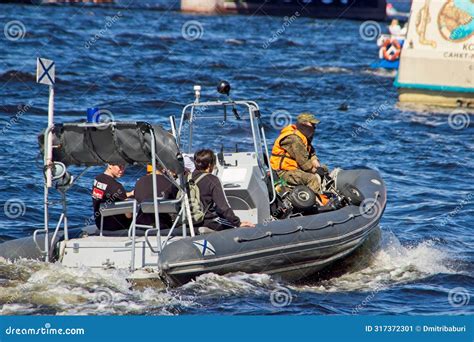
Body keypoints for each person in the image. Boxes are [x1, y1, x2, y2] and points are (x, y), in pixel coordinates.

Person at [192, 149, 254, 231]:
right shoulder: (213, 180)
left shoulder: (187, 178)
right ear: (210, 164)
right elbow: (223, 207)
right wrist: (238, 223)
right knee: (237, 228)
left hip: (190, 221)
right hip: (207, 221)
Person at [270, 113, 327, 196]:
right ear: (304, 125)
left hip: (295, 169)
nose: (314, 128)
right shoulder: (294, 139)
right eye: (312, 125)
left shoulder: (304, 137)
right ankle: (314, 201)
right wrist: (316, 172)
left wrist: (319, 168)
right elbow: (305, 164)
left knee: (324, 169)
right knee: (312, 179)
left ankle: (325, 192)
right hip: (283, 172)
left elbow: (312, 154)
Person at [134, 164, 178, 228]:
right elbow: (176, 201)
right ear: (163, 169)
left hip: (140, 224)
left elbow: (137, 198)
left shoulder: (139, 182)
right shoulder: (169, 182)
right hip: (162, 225)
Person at [92, 164, 134, 231]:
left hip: (100, 223)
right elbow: (128, 215)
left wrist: (131, 193)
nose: (122, 170)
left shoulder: (98, 179)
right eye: (120, 167)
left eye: (124, 167)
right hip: (115, 225)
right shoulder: (116, 186)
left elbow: (111, 193)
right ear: (110, 165)